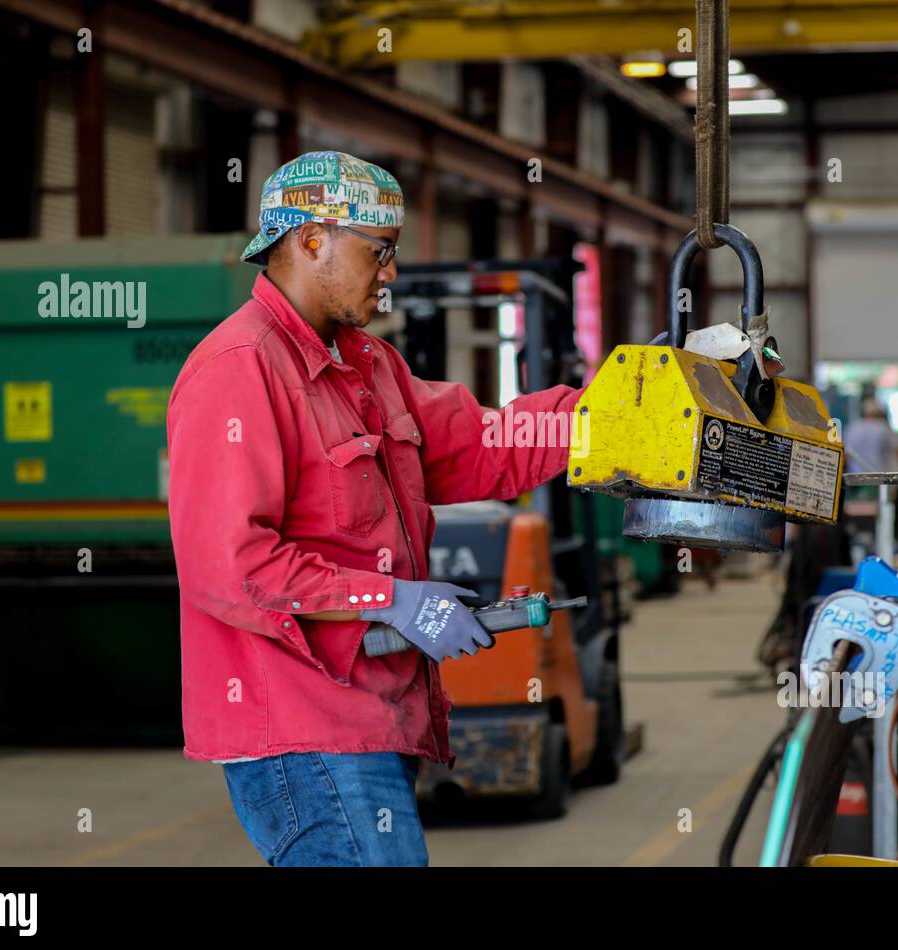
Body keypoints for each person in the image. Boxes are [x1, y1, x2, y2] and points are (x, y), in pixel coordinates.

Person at [166, 150, 584, 866]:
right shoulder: (238, 369)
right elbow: (231, 566)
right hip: (304, 729)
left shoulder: (367, 366)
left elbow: (481, 445)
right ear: (311, 239)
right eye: (379, 251)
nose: (389, 273)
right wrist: (391, 600)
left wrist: (614, 415)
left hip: (369, 719)